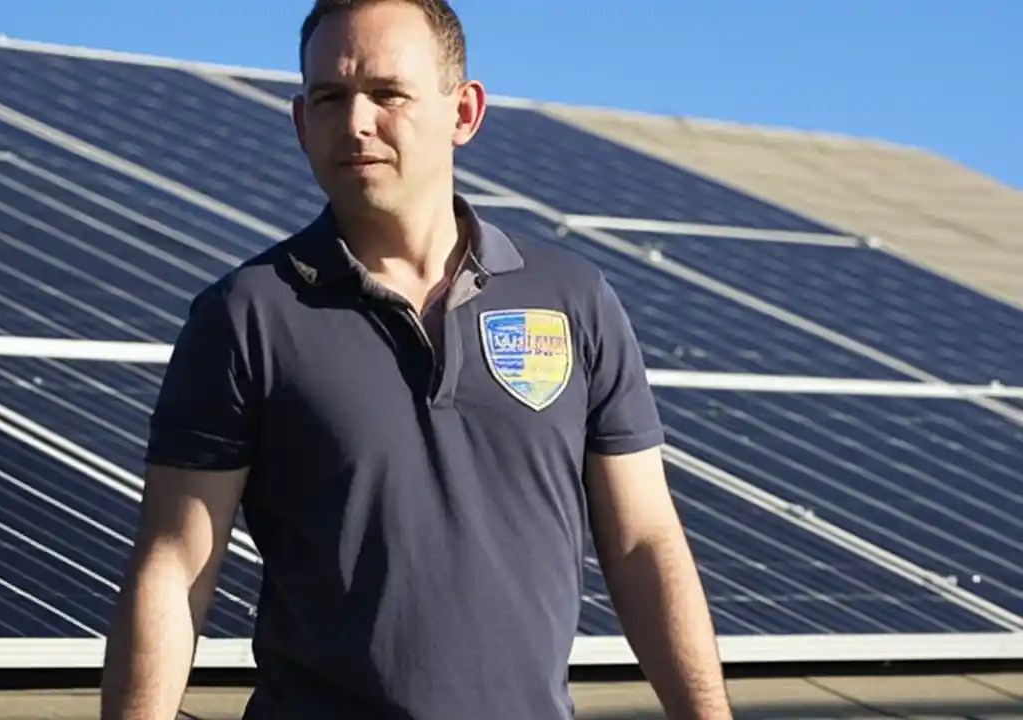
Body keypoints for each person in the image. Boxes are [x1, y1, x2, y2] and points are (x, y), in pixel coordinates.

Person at [100, 0, 732, 717]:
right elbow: (175, 567)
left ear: (463, 112)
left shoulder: (571, 299)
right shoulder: (246, 316)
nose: (357, 122)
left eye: (388, 93)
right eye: (330, 98)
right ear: (301, 123)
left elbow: (645, 544)